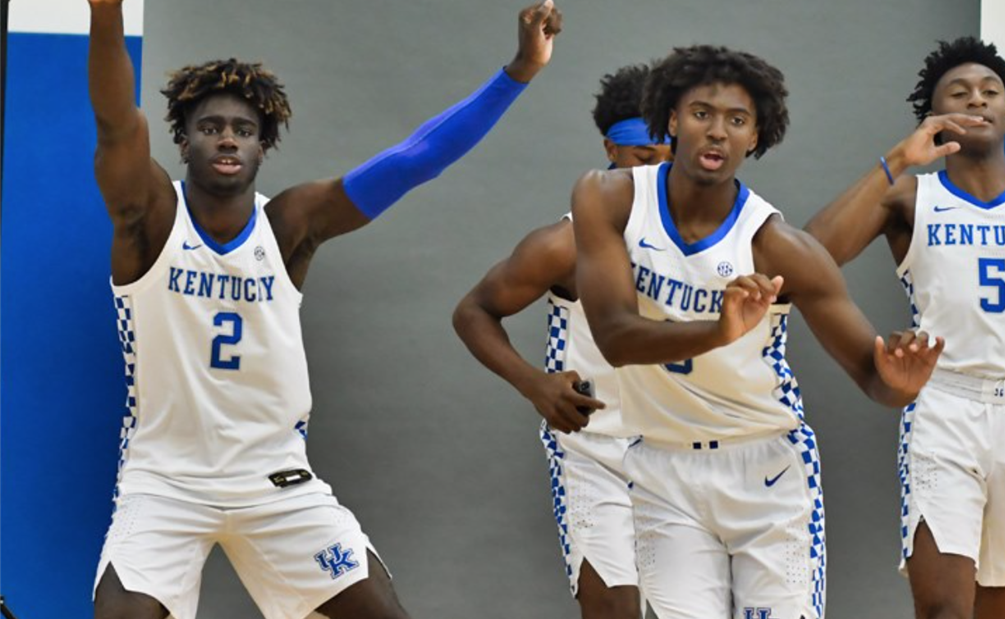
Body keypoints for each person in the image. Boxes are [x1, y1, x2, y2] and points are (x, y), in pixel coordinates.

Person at [86, 1, 561, 618]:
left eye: (244, 129)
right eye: (210, 127)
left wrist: (520, 70)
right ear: (182, 139)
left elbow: (415, 159)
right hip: (166, 483)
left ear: (264, 147)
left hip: (276, 483)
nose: (228, 136)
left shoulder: (289, 224)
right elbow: (117, 123)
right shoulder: (148, 217)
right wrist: (106, 11)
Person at [571, 44, 943, 619]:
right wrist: (718, 330)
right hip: (661, 468)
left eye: (737, 121)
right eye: (702, 114)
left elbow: (873, 377)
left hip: (764, 469)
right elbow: (616, 338)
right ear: (671, 120)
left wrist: (901, 384)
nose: (717, 132)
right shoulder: (609, 198)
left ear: (755, 137)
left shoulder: (776, 245)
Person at [804, 37, 1005, 619]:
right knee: (945, 612)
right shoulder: (909, 196)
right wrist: (899, 158)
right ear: (935, 116)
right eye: (959, 92)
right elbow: (809, 257)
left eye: (990, 91)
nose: (976, 99)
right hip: (944, 410)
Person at [452, 64, 670, 619]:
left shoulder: (714, 229)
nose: (658, 167)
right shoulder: (566, 243)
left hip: (684, 448)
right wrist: (534, 384)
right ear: (610, 150)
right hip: (593, 450)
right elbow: (473, 311)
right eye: (643, 155)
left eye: (670, 152)